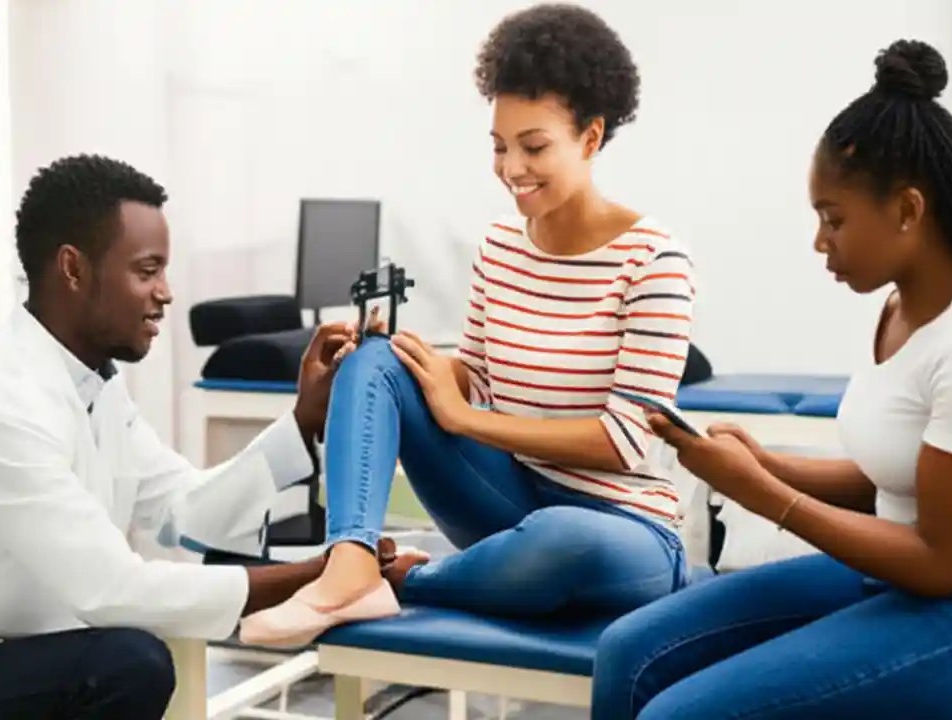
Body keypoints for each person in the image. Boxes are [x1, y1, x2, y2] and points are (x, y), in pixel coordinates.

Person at [0, 154, 397, 720]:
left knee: (127, 655)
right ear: (73, 269)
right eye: (147, 271)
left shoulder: (94, 385)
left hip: (8, 652)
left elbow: (184, 512)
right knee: (128, 662)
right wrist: (328, 574)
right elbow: (111, 588)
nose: (166, 293)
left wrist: (302, 420)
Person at [591, 39, 952, 719]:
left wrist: (761, 492)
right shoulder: (898, 308)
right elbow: (892, 480)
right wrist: (767, 463)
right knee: (628, 652)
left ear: (908, 211)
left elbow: (940, 558)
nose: (820, 241)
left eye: (834, 219)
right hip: (902, 578)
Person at [240, 3, 697, 648]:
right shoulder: (500, 246)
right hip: (508, 499)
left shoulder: (653, 260)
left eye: (534, 146)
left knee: (561, 540)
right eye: (499, 145)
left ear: (591, 138)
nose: (512, 168)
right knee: (378, 360)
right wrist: (400, 360)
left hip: (622, 531)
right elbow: (476, 376)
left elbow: (625, 440)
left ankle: (401, 581)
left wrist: (464, 419)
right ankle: (349, 564)